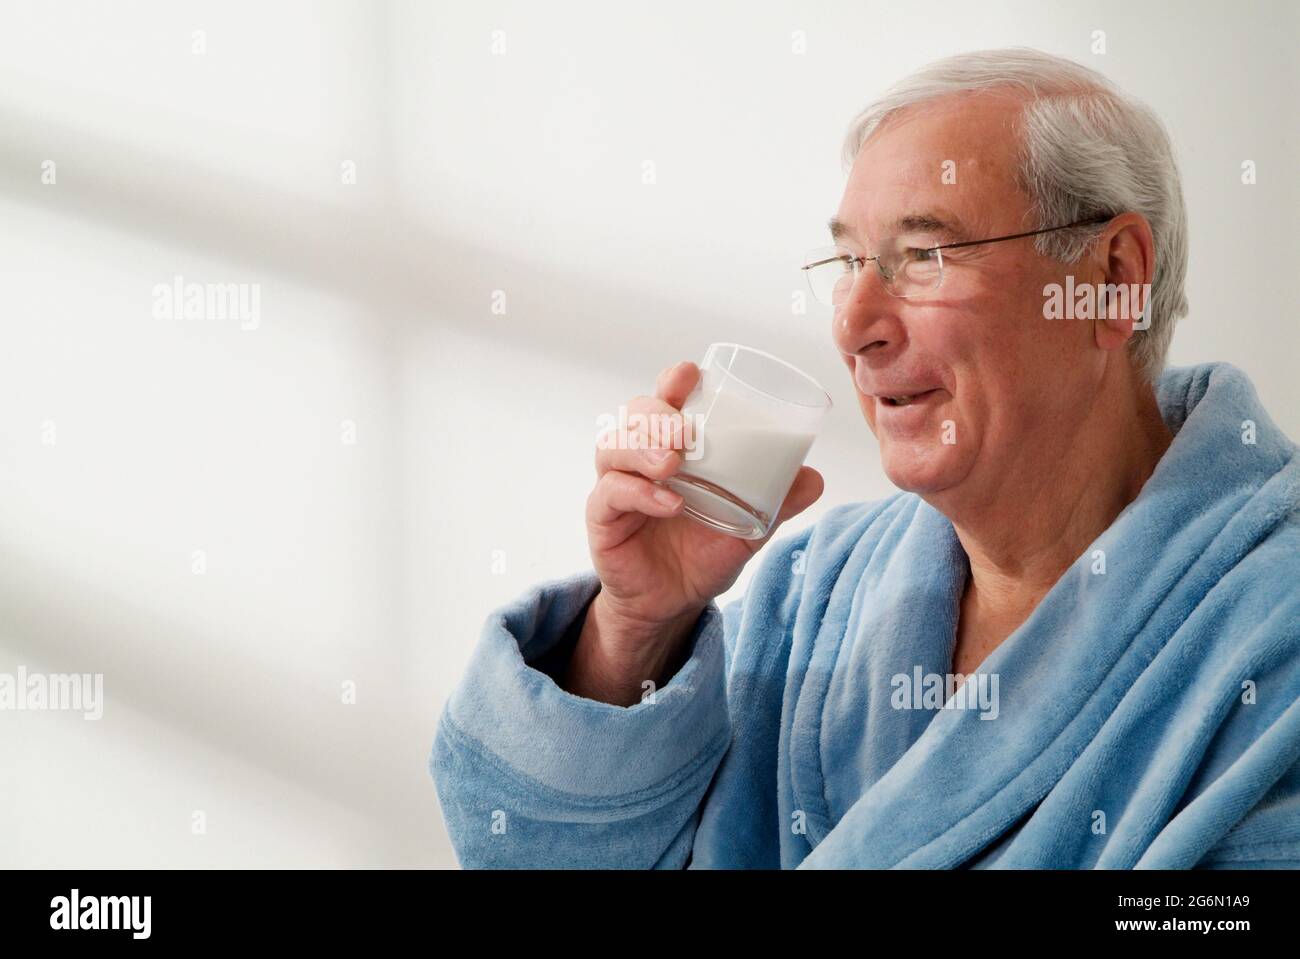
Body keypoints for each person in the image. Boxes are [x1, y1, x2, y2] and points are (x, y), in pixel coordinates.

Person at [429, 48, 1300, 868]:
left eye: (925, 255)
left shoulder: (1275, 636)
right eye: (849, 261)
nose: (851, 326)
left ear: (1112, 281)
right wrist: (636, 627)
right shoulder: (813, 592)